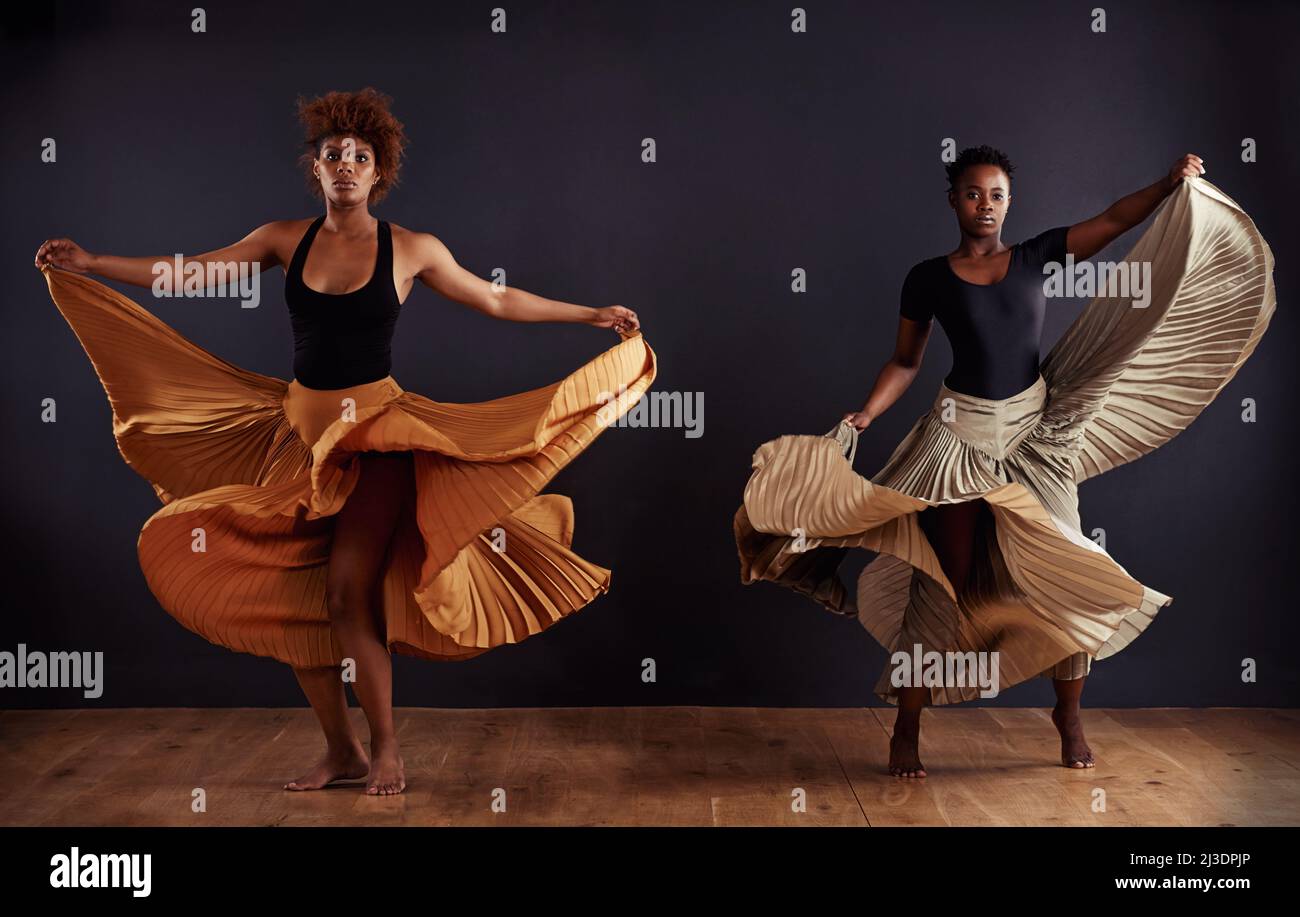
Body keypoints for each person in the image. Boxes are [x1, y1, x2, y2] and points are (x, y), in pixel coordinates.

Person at [35, 87, 657, 796]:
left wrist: (591, 314)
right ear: (317, 167)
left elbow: (495, 298)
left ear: (377, 172)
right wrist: (93, 263)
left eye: (360, 158)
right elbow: (192, 271)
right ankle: (343, 750)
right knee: (298, 598)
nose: (346, 166)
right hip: (298, 438)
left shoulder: (412, 249)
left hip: (377, 440)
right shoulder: (282, 238)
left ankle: (387, 746)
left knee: (345, 592)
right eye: (333, 155)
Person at [734, 145, 1275, 778]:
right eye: (972, 194)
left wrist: (1170, 182)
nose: (984, 205)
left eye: (995, 195)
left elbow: (1113, 219)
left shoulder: (1036, 255)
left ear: (1008, 201)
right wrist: (868, 413)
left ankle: (1068, 715)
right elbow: (906, 361)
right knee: (944, 581)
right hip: (958, 438)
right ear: (953, 200)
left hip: (1037, 437)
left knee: (1069, 571)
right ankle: (906, 726)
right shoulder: (927, 277)